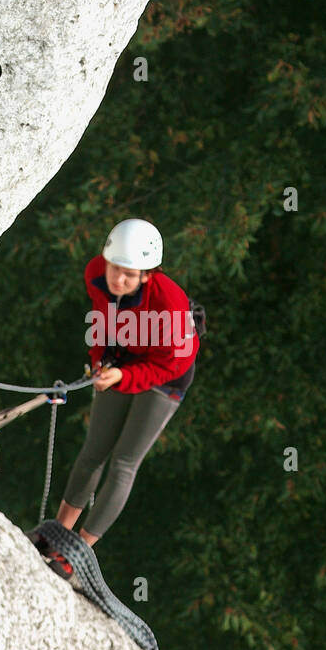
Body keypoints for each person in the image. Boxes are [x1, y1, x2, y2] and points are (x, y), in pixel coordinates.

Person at [40, 218, 199, 578]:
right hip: (123, 355)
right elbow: (103, 318)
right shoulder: (97, 273)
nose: (118, 279)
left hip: (164, 375)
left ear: (147, 275)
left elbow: (166, 366)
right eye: (115, 268)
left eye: (129, 274)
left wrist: (124, 376)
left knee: (124, 462)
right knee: (93, 449)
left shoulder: (169, 304)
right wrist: (99, 364)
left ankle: (75, 554)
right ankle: (56, 535)